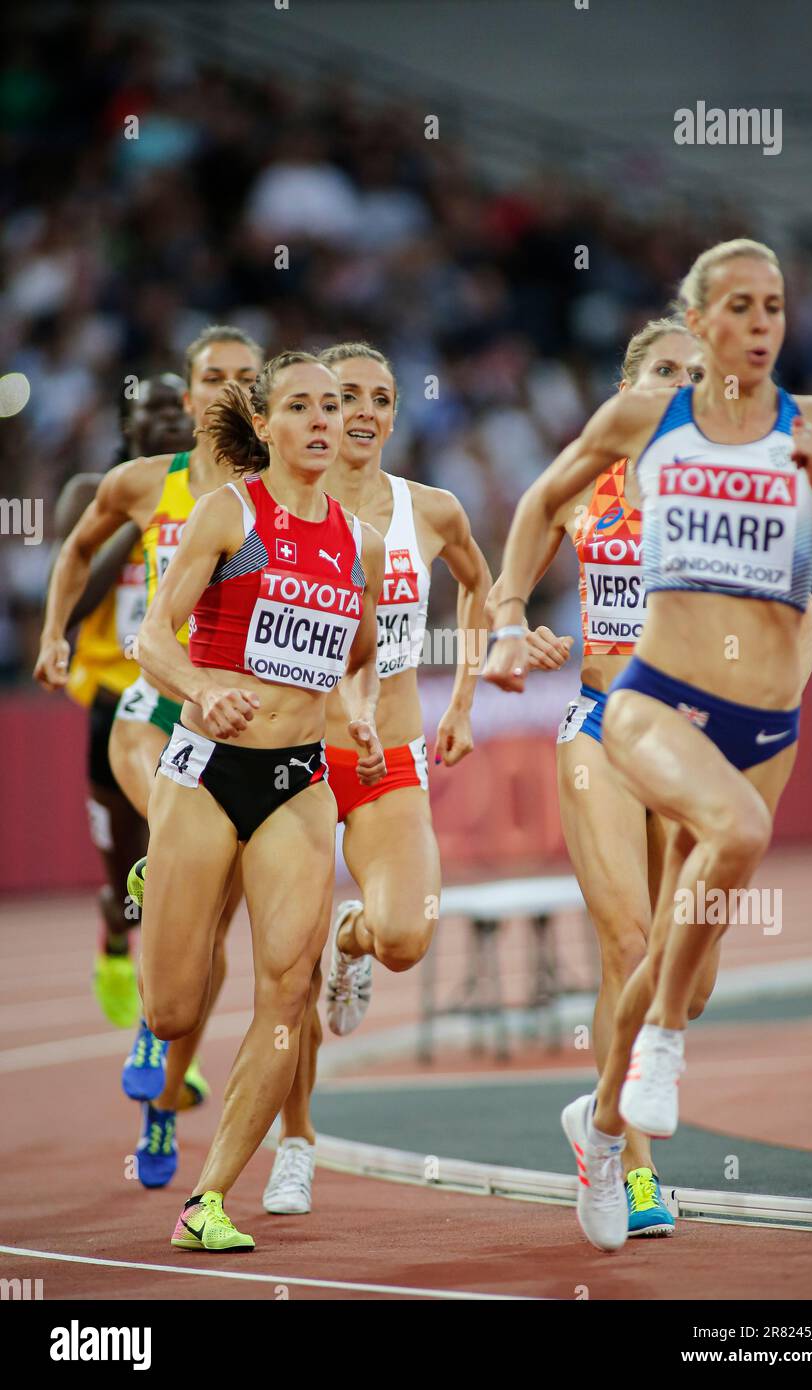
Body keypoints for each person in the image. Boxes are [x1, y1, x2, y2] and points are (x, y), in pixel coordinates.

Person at [484, 239, 812, 1252]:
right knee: (629, 946)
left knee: (685, 976)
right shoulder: (633, 446)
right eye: (731, 309)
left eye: (774, 306)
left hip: (747, 725)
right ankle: (635, 1145)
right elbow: (531, 508)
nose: (753, 326)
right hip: (620, 715)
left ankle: (600, 1119)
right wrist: (506, 619)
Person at [135, 350, 385, 1251]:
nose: (324, 420)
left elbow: (358, 648)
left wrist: (345, 710)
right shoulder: (229, 514)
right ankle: (154, 869)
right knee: (170, 1011)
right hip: (205, 767)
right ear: (269, 425)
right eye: (304, 407)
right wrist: (201, 688)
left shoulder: (363, 542)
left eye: (335, 405)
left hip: (297, 783)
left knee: (288, 990)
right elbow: (151, 636)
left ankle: (207, 1201)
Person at [261, 342, 493, 1215]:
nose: (357, 411)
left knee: (406, 938)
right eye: (341, 396)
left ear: (396, 415)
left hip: (390, 760)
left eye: (378, 398)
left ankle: (351, 941)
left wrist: (462, 700)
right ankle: (297, 1143)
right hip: (293, 765)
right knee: (285, 975)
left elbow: (480, 587)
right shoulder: (272, 513)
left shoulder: (428, 511)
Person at [34, 327, 263, 1185]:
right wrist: (55, 634)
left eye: (247, 377)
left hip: (241, 720)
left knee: (211, 940)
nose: (229, 389)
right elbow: (75, 547)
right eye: (214, 376)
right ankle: (146, 893)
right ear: (194, 389)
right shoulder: (144, 484)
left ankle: (162, 1103)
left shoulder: (277, 490)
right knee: (166, 832)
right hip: (154, 703)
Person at [53, 374, 192, 1028]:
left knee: (173, 859)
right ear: (127, 424)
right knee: (123, 886)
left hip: (182, 694)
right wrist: (143, 525)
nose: (168, 421)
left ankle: (160, 1026)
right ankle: (114, 937)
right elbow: (74, 601)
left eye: (178, 410)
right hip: (113, 697)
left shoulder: (208, 494)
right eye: (152, 410)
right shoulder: (94, 494)